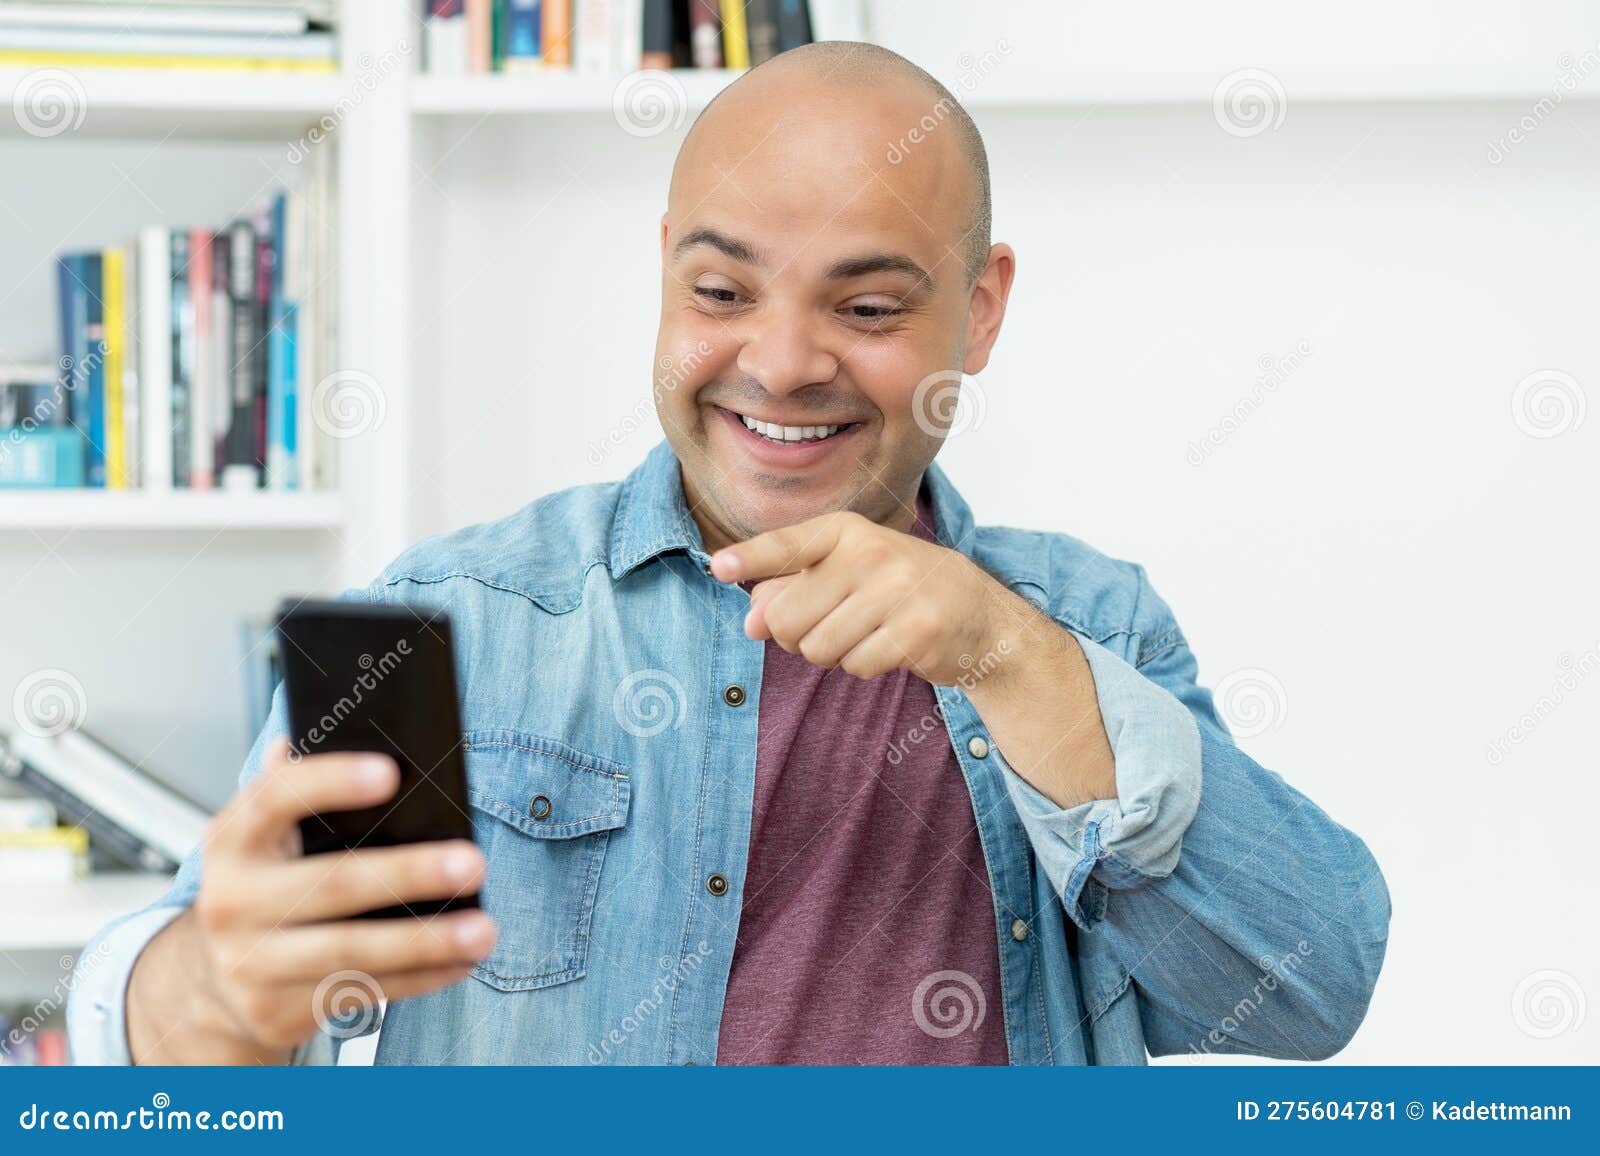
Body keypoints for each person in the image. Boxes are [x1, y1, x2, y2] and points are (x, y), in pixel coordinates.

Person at [71, 42, 1388, 1066]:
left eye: (867, 306)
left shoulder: (1082, 626)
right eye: (720, 292)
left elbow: (1310, 993)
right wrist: (212, 988)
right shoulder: (448, 623)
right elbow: (182, 1040)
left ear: (978, 310)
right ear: (662, 272)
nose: (781, 361)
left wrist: (1007, 656)